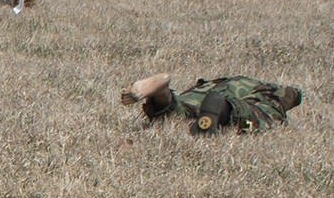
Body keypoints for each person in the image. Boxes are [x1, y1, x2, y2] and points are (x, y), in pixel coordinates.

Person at [122, 73, 304, 131]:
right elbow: (294, 95)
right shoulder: (268, 91)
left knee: (180, 111)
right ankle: (223, 108)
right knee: (257, 114)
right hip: (229, 94)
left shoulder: (218, 82)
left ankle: (163, 95)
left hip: (206, 89)